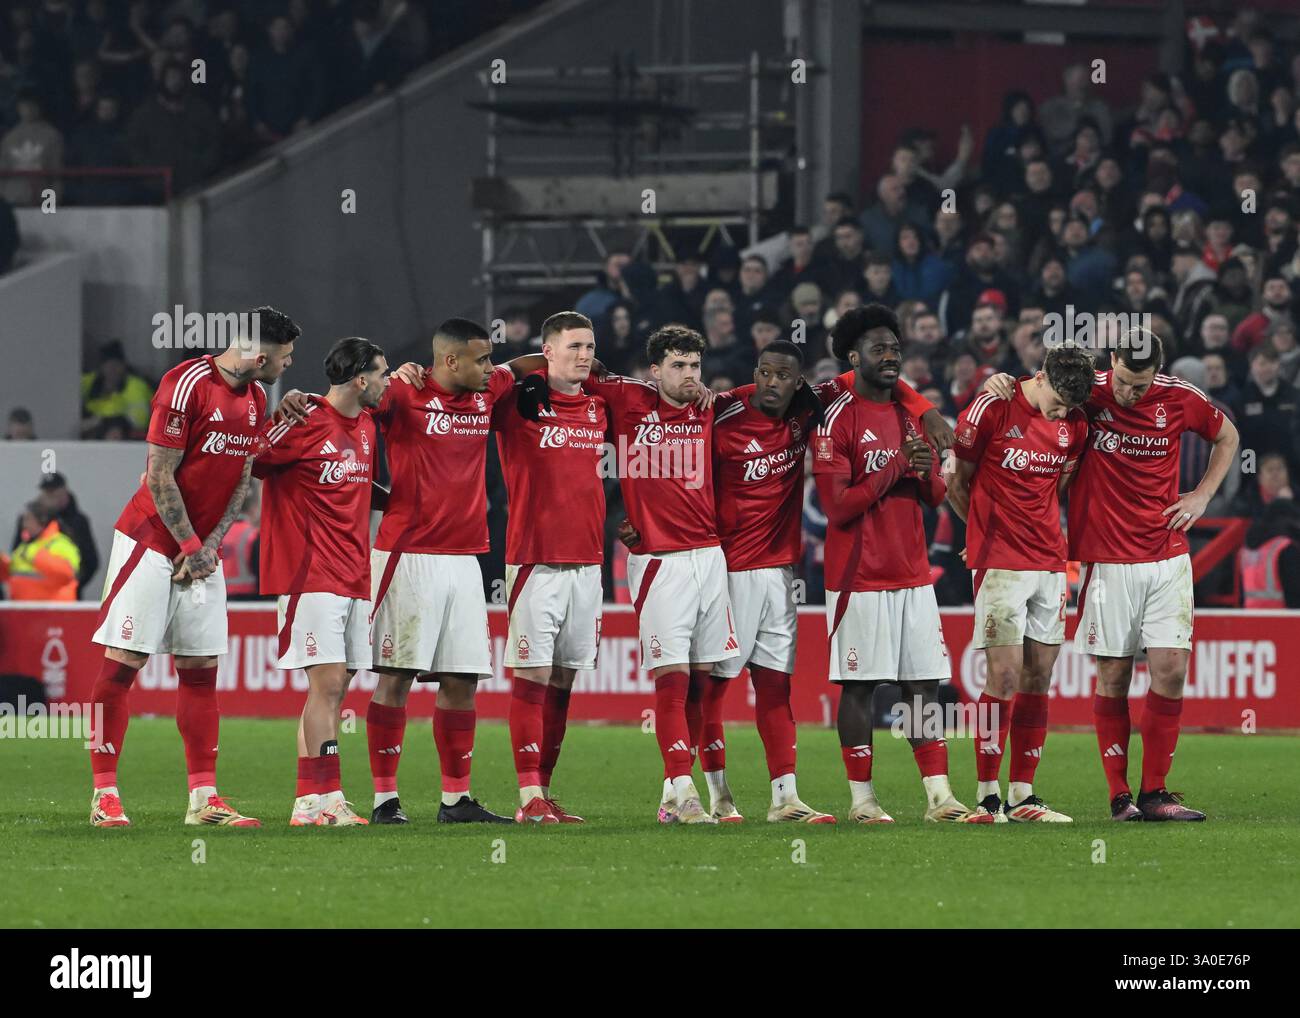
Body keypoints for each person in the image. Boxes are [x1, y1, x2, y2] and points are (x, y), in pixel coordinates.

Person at [85, 306, 300, 828]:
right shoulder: (185, 384)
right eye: (287, 358)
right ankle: (104, 795)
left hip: (200, 552)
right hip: (151, 540)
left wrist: (209, 546)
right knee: (122, 665)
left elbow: (241, 477)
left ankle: (204, 800)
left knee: (201, 671)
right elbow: (159, 475)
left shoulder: (254, 398)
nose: (288, 367)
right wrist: (186, 541)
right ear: (262, 353)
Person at [365, 319, 542, 825]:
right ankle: (384, 801)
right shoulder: (401, 393)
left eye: (489, 359)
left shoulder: (487, 393)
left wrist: (578, 364)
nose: (490, 367)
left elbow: (522, 366)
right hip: (407, 553)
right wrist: (300, 400)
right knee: (395, 675)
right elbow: (351, 398)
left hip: (466, 557)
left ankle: (456, 800)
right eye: (480, 359)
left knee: (463, 677)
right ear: (449, 362)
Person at [814, 304, 977, 823]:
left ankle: (940, 797)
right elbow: (837, 506)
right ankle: (863, 801)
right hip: (858, 576)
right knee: (861, 686)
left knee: (923, 685)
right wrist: (900, 466)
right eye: (879, 349)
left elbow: (931, 495)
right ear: (854, 357)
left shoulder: (912, 414)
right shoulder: (836, 416)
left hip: (912, 573)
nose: (891, 357)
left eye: (896, 348)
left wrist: (927, 472)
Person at [585, 325, 733, 825]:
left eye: (695, 366)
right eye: (678, 366)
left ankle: (673, 793)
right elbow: (566, 368)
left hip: (710, 557)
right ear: (655, 372)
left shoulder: (710, 408)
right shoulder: (626, 397)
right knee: (670, 679)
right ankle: (686, 791)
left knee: (701, 681)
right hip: (660, 563)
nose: (689, 375)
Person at [946, 344, 1094, 822]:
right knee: (1004, 676)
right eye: (1056, 402)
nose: (1060, 413)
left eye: (1069, 408)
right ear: (1042, 376)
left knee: (1038, 677)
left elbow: (1060, 487)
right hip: (1001, 563)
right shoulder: (992, 405)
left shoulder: (1075, 425)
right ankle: (987, 795)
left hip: (1050, 561)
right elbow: (956, 480)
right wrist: (978, 533)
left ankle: (1023, 794)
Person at [254, 337, 388, 827]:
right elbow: (255, 460)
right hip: (309, 574)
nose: (387, 381)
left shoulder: (369, 425)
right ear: (360, 379)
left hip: (354, 575)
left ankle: (311, 801)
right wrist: (280, 412)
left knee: (333, 689)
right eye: (382, 372)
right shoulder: (304, 420)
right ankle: (325, 796)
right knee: (328, 684)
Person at [491, 312, 608, 824]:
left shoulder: (601, 406)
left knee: (563, 680)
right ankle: (527, 796)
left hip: (588, 563)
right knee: (532, 676)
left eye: (589, 347)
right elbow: (484, 375)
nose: (584, 355)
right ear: (549, 350)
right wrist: (532, 373)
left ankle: (546, 794)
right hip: (535, 560)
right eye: (574, 346)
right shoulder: (517, 404)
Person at [21, 473, 98, 597]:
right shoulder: (29, 520)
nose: (49, 497)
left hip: (65, 595)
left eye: (53, 492)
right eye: (46, 492)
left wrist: (73, 586)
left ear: (64, 492)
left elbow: (90, 561)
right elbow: (18, 553)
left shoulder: (78, 522)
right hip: (33, 595)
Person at [1, 501, 80, 601]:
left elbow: (66, 574)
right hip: (23, 610)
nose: (24, 525)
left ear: (42, 520)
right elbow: (13, 572)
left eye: (28, 519)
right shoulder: (27, 545)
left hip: (53, 612)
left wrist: (34, 555)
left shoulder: (60, 544)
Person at [81, 340, 154, 437]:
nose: (112, 369)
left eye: (116, 365)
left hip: (127, 438)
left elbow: (140, 421)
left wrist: (112, 422)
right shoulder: (89, 382)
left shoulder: (136, 387)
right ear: (101, 367)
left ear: (123, 366)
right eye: (108, 365)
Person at [1239, 498, 1300, 608]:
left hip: (1250, 616)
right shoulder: (1285, 548)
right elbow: (1295, 591)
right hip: (1281, 618)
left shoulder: (1249, 550)